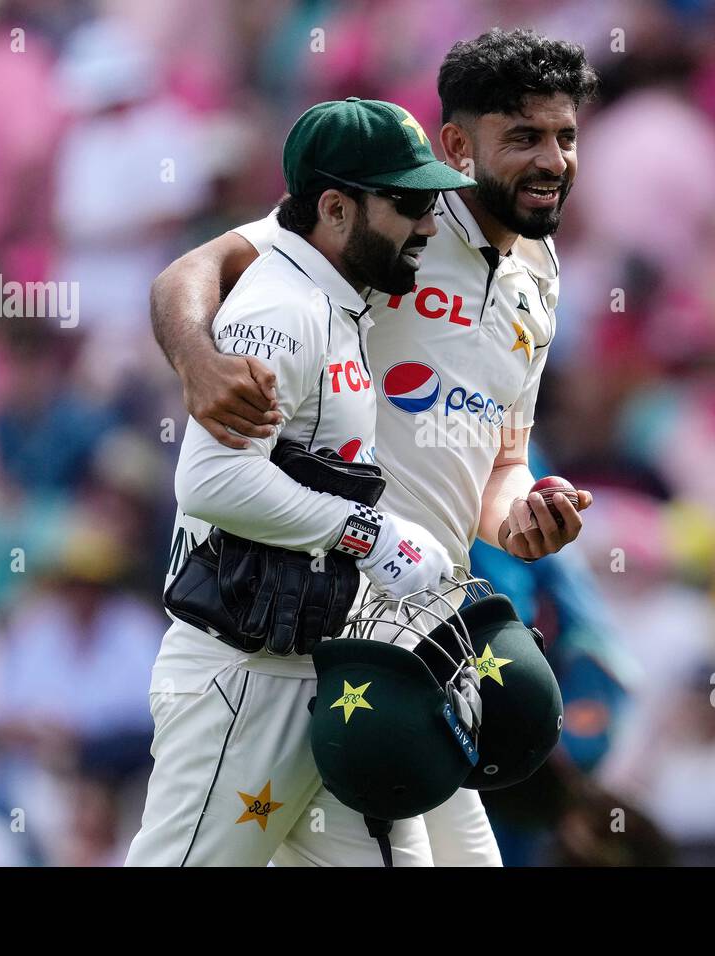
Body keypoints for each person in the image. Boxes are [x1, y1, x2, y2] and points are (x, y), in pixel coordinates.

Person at [150, 29, 599, 866]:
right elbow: (195, 270)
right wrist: (198, 360)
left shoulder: (539, 270)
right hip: (312, 636)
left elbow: (501, 463)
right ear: (459, 145)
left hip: (424, 631)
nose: (553, 159)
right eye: (526, 137)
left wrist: (525, 516)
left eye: (565, 135)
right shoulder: (387, 226)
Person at [125, 97, 475, 866]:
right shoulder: (283, 307)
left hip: (325, 675)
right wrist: (368, 533)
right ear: (337, 208)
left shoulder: (330, 296)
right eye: (410, 203)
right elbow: (212, 483)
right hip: (241, 684)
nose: (427, 225)